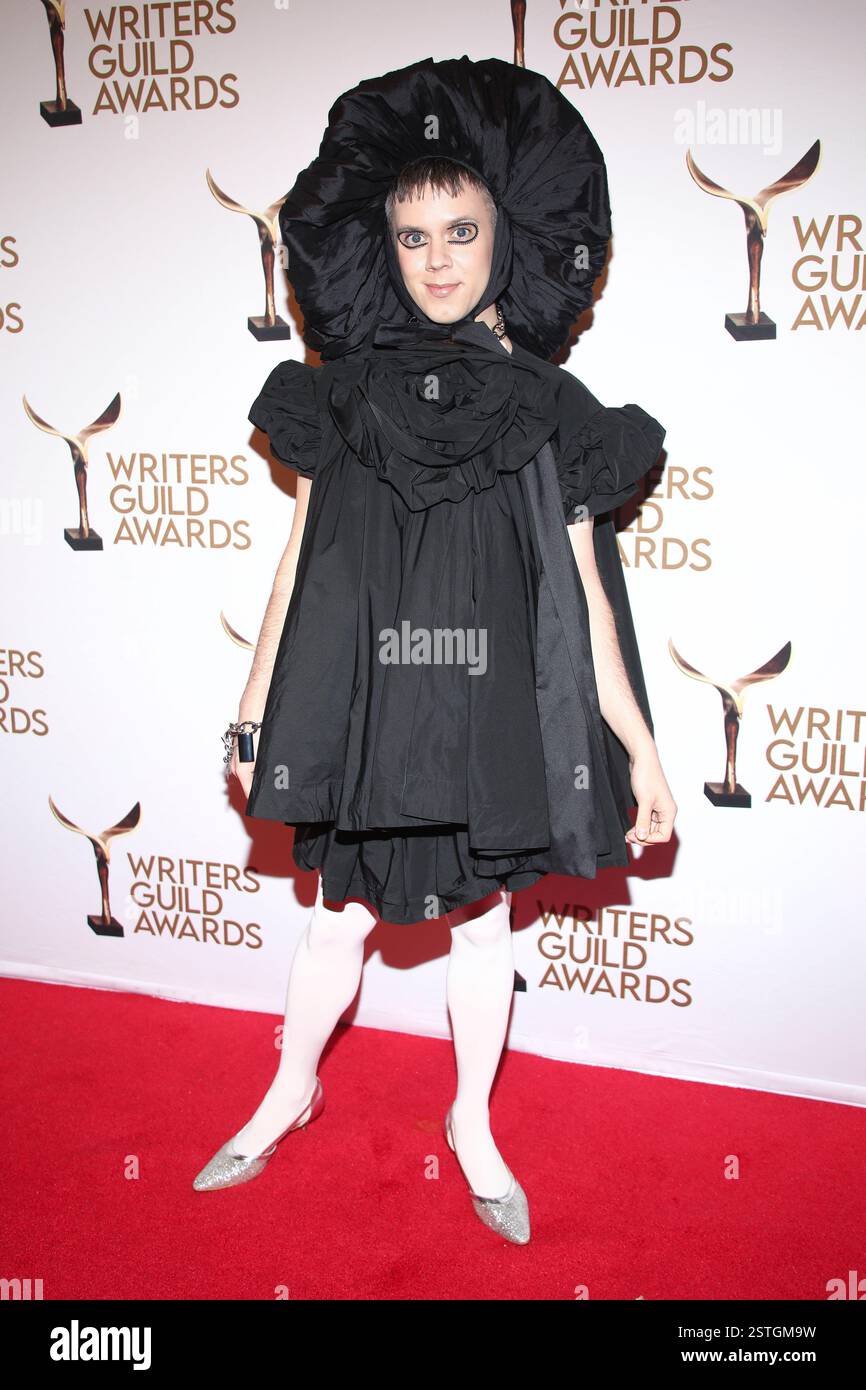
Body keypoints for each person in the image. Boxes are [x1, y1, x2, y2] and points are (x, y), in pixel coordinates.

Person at [193, 56, 677, 1246]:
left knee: (482, 929)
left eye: (460, 230)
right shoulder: (343, 396)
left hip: (486, 715)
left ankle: (471, 1122)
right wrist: (251, 713)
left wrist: (641, 749)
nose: (439, 259)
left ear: (502, 237)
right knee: (334, 923)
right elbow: (299, 569)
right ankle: (288, 1088)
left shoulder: (548, 408)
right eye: (413, 237)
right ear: (385, 246)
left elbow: (584, 599)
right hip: (372, 711)